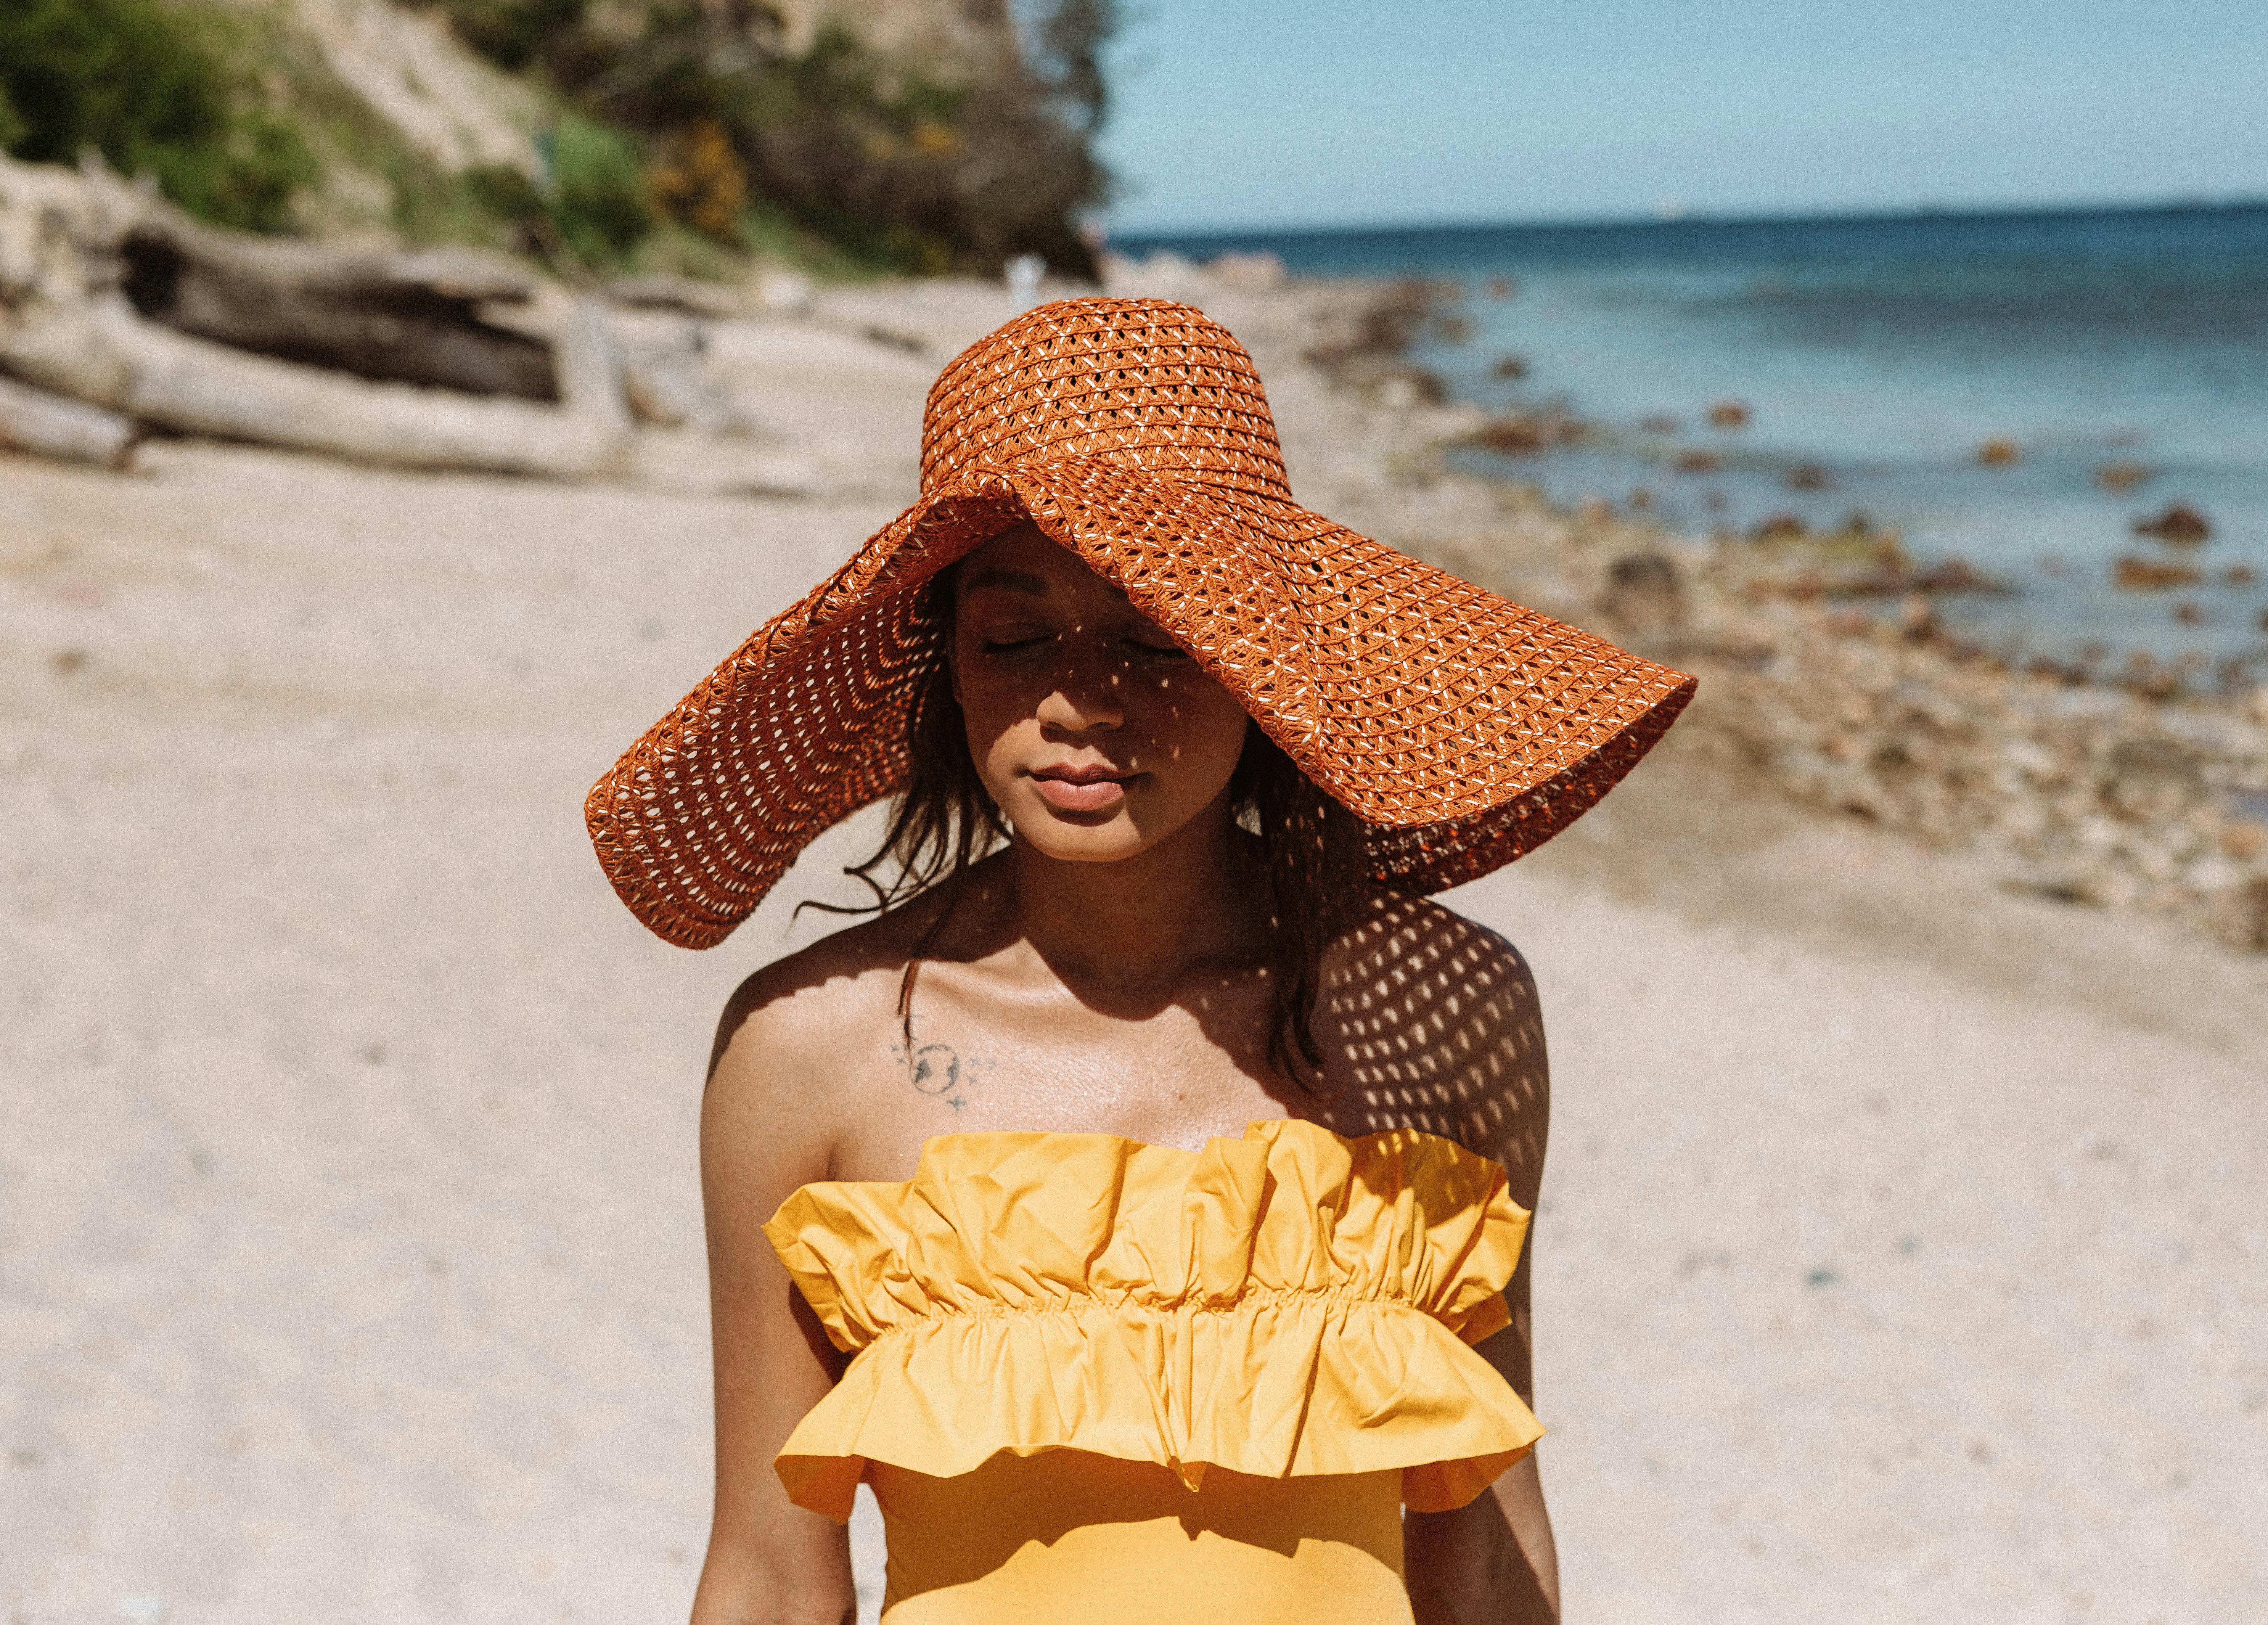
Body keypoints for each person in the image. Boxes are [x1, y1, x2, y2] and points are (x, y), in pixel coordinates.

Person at [584, 297, 1695, 1623]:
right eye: (1015, 637)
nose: (1077, 701)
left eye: (1161, 638)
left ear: (1264, 665)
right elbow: (769, 1576)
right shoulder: (811, 1050)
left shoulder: (1441, 1010)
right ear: (948, 665)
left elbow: (1490, 1552)